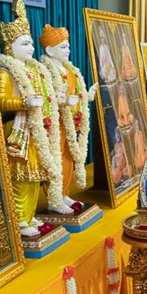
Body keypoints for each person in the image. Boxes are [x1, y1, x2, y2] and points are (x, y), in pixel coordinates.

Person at [0, 0, 70, 239]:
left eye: (30, 44)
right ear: (10, 47)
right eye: (25, 43)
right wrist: (23, 103)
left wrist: (54, 98)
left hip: (36, 129)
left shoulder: (35, 70)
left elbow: (45, 97)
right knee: (20, 177)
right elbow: (0, 101)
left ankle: (28, 216)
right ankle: (19, 220)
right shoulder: (5, 72)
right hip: (16, 131)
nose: (31, 48)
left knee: (35, 176)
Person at [40, 24, 98, 212]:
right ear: (49, 50)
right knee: (56, 161)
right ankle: (54, 200)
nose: (68, 50)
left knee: (69, 159)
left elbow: (76, 94)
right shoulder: (46, 71)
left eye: (68, 46)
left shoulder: (69, 69)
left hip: (71, 124)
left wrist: (88, 95)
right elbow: (47, 98)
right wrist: (62, 101)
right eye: (63, 47)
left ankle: (64, 194)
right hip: (55, 125)